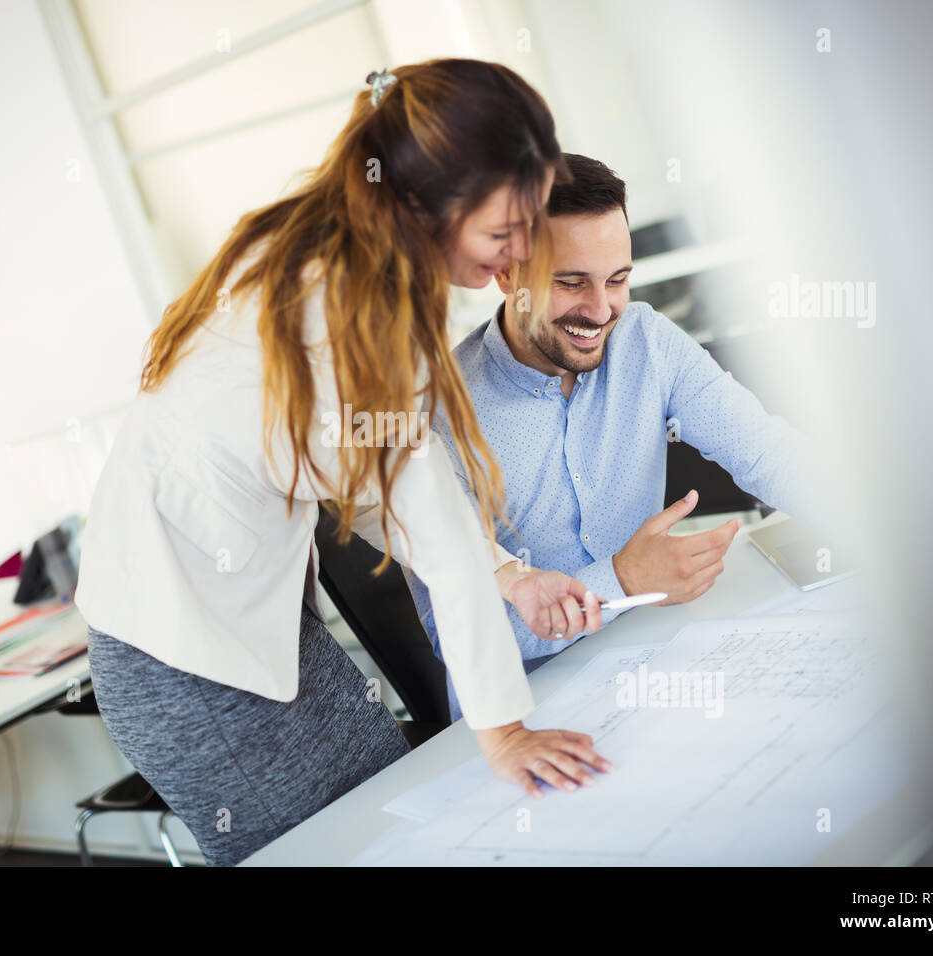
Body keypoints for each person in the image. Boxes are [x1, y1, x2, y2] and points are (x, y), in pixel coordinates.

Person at [74, 63, 615, 867]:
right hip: (185, 662)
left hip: (248, 629)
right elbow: (424, 514)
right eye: (504, 233)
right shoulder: (341, 308)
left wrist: (505, 572)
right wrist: (502, 731)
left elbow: (360, 476)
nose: (520, 255)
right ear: (419, 203)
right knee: (356, 851)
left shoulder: (334, 249)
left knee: (393, 828)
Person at [408, 154, 822, 722]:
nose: (601, 310)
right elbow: (467, 640)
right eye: (571, 283)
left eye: (618, 279)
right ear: (505, 275)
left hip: (663, 662)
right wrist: (620, 580)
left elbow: (770, 455)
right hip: (532, 718)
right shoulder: (435, 418)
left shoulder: (645, 339)